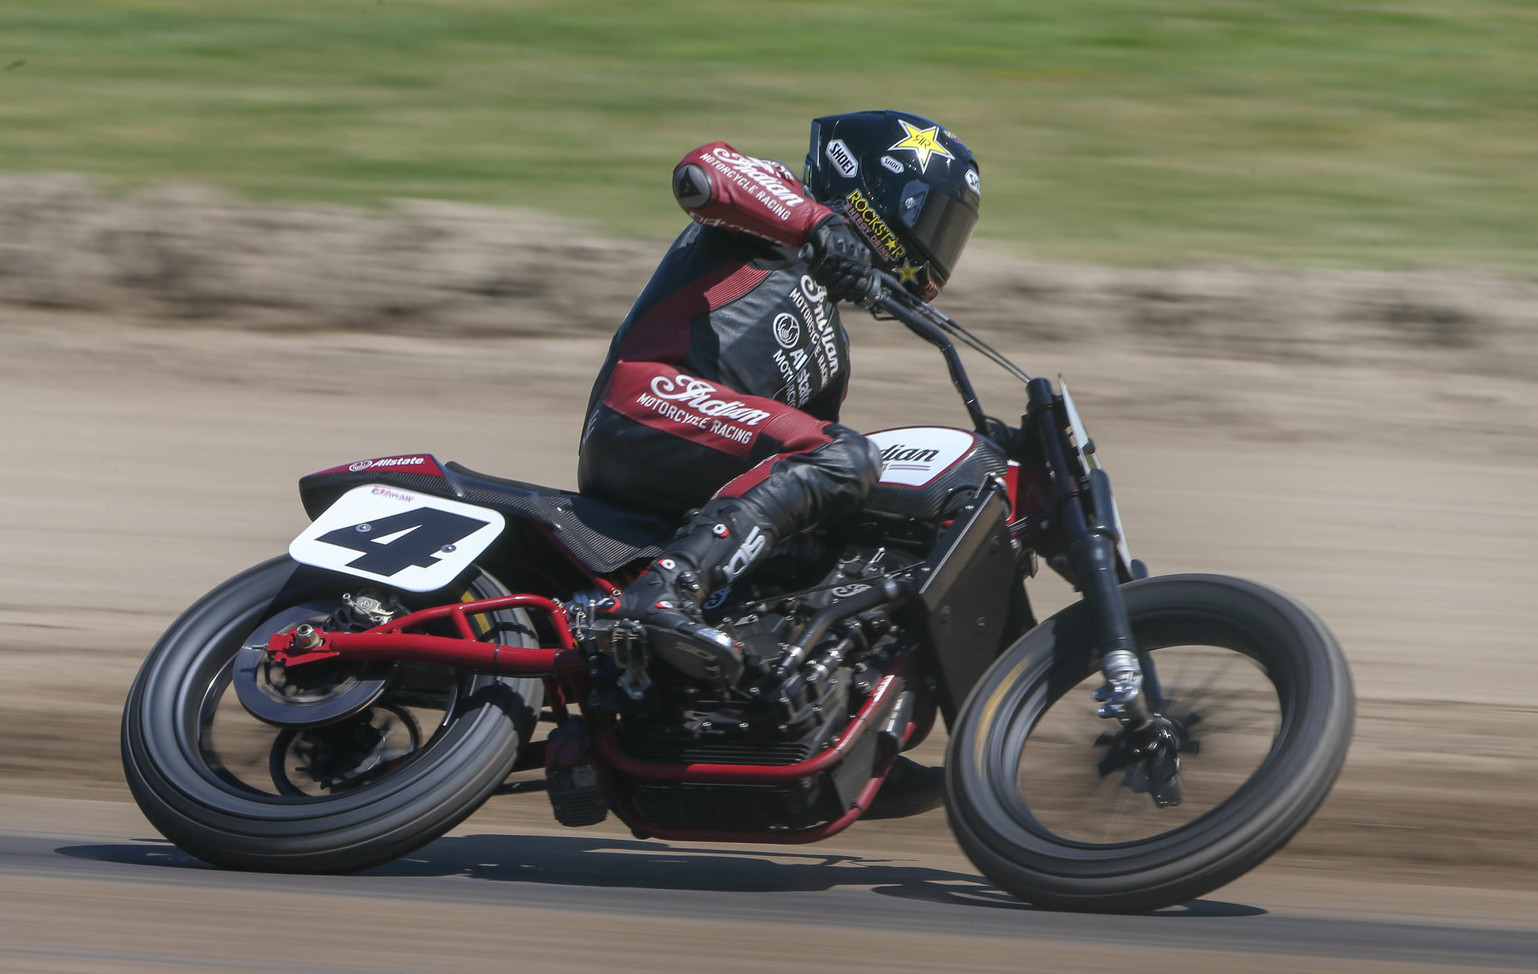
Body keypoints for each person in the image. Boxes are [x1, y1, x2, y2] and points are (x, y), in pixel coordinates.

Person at [578, 109, 981, 683]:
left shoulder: (834, 353)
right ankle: (665, 591)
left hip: (697, 479)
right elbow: (702, 169)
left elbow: (798, 483)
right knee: (843, 455)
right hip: (644, 404)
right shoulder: (778, 203)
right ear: (878, 186)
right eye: (931, 217)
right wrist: (821, 226)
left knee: (840, 518)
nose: (936, 243)